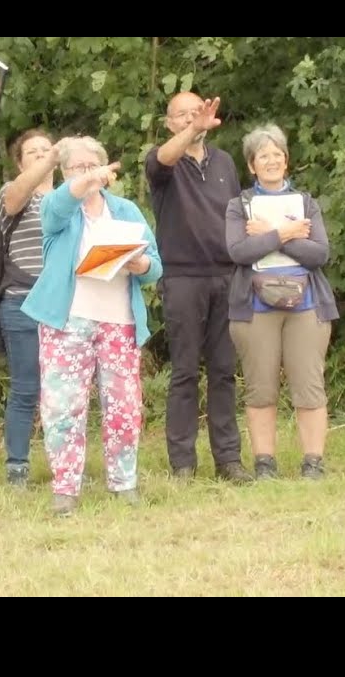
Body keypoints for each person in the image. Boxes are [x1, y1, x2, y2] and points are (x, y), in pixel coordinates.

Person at [21, 136, 163, 516]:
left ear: (105, 169)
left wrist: (142, 265)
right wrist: (81, 182)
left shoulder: (127, 210)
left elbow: (155, 263)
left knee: (124, 407)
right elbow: (58, 204)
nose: (84, 173)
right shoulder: (57, 209)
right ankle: (65, 489)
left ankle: (124, 483)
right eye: (75, 168)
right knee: (63, 408)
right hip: (67, 321)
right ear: (64, 174)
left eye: (90, 166)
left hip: (119, 321)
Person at [145, 93, 250, 482]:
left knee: (223, 370)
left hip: (226, 275)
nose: (194, 120)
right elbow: (163, 160)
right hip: (183, 278)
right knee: (185, 371)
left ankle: (228, 459)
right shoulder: (162, 162)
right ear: (170, 123)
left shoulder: (223, 162)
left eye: (198, 113)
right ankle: (183, 464)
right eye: (183, 116)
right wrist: (193, 129)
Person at [224, 123, 338, 480]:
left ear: (286, 162)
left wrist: (276, 236)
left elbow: (318, 253)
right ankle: (264, 463)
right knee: (260, 388)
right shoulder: (238, 205)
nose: (271, 161)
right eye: (263, 156)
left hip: (307, 307)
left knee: (309, 385)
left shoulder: (307, 202)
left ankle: (313, 463)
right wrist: (289, 234)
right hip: (254, 308)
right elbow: (239, 251)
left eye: (277, 154)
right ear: (252, 165)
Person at [0, 129, 58, 486]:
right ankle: (17, 466)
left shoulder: (69, 196)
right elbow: (16, 197)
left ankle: (63, 463)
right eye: (32, 152)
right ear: (19, 163)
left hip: (64, 305)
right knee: (26, 388)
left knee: (63, 390)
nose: (42, 155)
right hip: (22, 303)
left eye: (47, 150)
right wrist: (46, 163)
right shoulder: (12, 193)